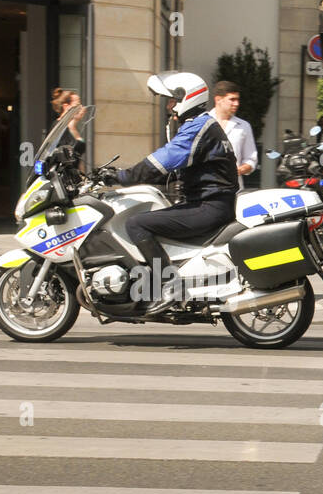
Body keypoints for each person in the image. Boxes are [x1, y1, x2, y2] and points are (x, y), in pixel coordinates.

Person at [104, 71, 237, 315]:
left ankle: (169, 286)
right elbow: (176, 169)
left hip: (209, 207)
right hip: (209, 203)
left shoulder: (198, 128)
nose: (169, 106)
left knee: (136, 225)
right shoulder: (202, 125)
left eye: (172, 100)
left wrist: (123, 177)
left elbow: (162, 160)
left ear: (187, 98)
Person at [210, 81, 257, 191]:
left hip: (233, 189)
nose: (236, 104)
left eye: (237, 100)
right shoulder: (202, 122)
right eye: (232, 99)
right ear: (218, 100)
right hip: (205, 189)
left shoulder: (244, 126)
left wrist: (238, 170)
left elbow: (251, 159)